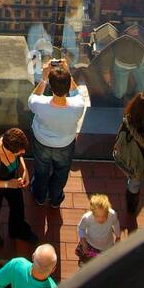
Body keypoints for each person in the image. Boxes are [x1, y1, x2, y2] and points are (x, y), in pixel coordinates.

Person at [28, 58, 90, 209]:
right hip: (65, 144)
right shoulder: (78, 105)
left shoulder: (40, 104)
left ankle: (40, 196)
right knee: (61, 173)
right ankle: (55, 199)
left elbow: (32, 97)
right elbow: (75, 92)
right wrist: (67, 72)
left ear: (51, 85)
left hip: (42, 142)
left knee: (41, 171)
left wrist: (44, 79)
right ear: (67, 86)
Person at [0, 128, 37, 245]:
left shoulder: (10, 140)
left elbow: (19, 156)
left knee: (18, 208)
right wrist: (7, 184)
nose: (23, 153)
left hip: (12, 180)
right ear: (10, 150)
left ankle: (18, 231)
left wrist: (24, 170)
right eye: (19, 151)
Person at [76, 192, 120, 262]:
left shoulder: (112, 215)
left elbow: (116, 224)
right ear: (92, 212)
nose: (101, 219)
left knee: (104, 260)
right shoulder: (87, 218)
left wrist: (118, 237)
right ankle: (84, 263)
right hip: (90, 243)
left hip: (107, 244)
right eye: (97, 216)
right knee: (87, 257)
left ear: (108, 211)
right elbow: (81, 228)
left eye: (104, 216)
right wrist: (83, 241)